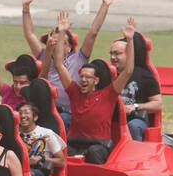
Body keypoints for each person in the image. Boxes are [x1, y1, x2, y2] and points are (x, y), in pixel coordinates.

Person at [22, 0, 118, 129]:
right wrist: (26, 7)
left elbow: (93, 32)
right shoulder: (44, 55)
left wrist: (105, 5)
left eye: (62, 42)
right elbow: (29, 34)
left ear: (69, 46)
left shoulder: (79, 59)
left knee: (62, 119)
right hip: (46, 111)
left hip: (70, 112)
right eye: (54, 42)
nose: (57, 45)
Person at [50, 24, 134, 166]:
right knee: (59, 153)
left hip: (99, 146)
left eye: (88, 77)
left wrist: (130, 41)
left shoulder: (109, 94)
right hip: (74, 143)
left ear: (96, 81)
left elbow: (128, 71)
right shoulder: (74, 92)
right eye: (81, 76)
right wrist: (62, 32)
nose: (83, 80)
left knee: (93, 152)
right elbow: (59, 64)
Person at [110, 20, 162, 141]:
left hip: (135, 119)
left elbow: (158, 104)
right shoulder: (108, 73)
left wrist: (135, 106)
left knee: (133, 126)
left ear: (129, 54)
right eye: (111, 54)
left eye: (117, 54)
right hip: (112, 117)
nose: (113, 57)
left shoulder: (145, 75)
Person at [16, 102, 66, 176]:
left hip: (39, 172)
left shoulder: (47, 134)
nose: (23, 116)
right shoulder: (15, 134)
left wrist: (42, 159)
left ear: (35, 117)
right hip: (18, 170)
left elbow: (61, 161)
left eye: (26, 112)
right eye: (20, 113)